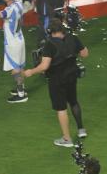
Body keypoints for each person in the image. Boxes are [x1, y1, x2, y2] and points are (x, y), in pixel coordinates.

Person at [23, 19, 89, 147]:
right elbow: (85, 53)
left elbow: (44, 66)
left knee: (61, 108)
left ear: (50, 31)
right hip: (72, 76)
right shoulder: (73, 38)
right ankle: (81, 130)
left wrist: (30, 72)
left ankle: (66, 138)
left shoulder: (49, 44)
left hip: (57, 80)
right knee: (74, 101)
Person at [0, 0, 27, 103]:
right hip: (19, 39)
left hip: (13, 43)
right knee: (20, 66)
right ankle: (20, 89)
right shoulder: (19, 4)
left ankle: (21, 94)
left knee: (15, 69)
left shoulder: (10, 9)